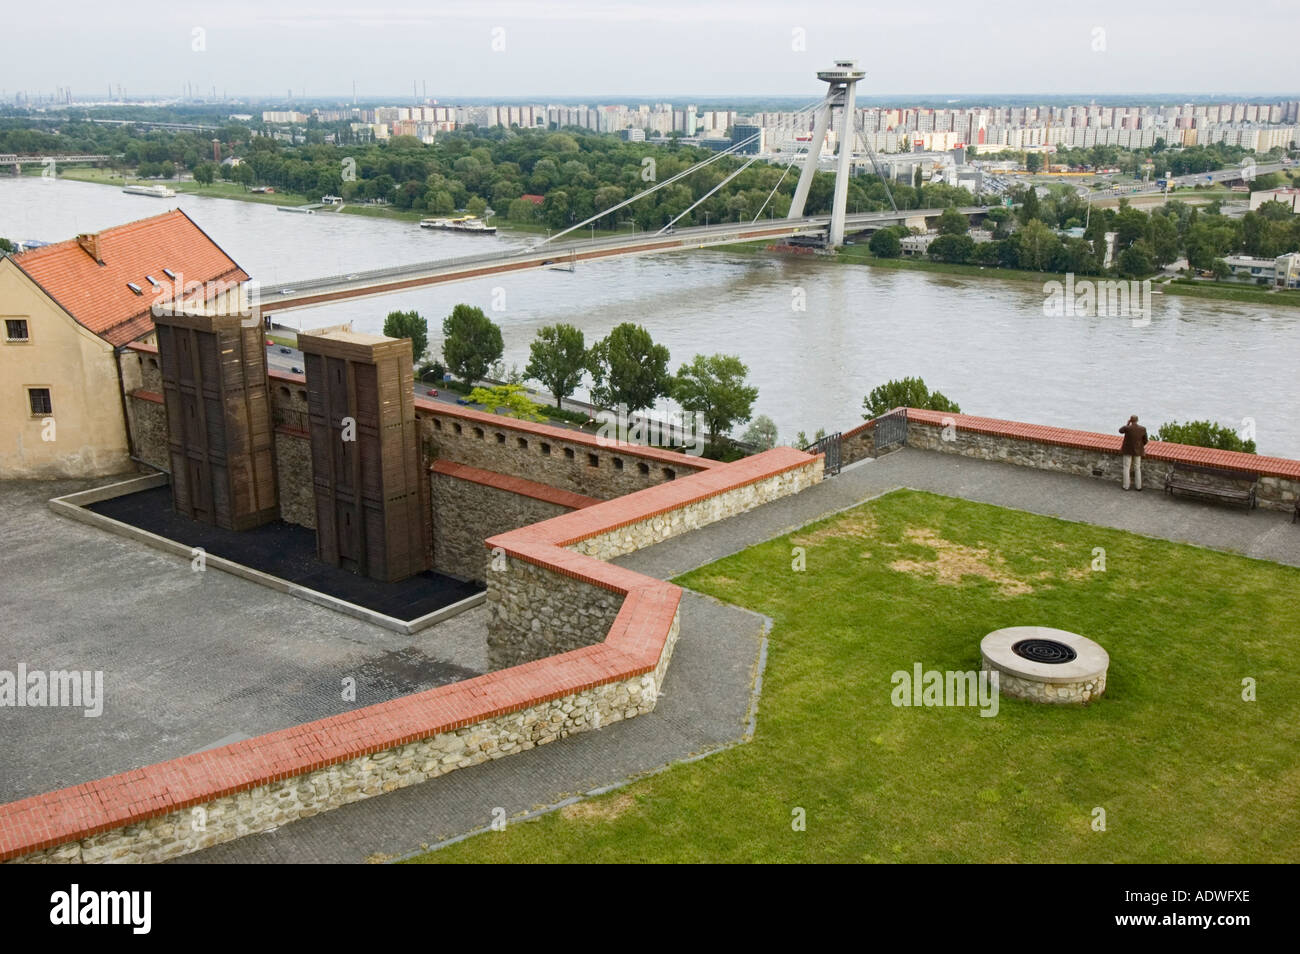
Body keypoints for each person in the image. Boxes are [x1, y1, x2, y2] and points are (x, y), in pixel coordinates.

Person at [1118, 415, 1148, 490]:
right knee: (1137, 468)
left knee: (1126, 468)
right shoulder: (1143, 429)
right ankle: (1138, 486)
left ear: (1130, 420)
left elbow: (1120, 431)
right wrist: (1140, 446)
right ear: (1137, 420)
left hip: (1127, 450)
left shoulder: (1127, 428)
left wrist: (1127, 424)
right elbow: (1145, 440)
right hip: (1138, 451)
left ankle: (1126, 486)